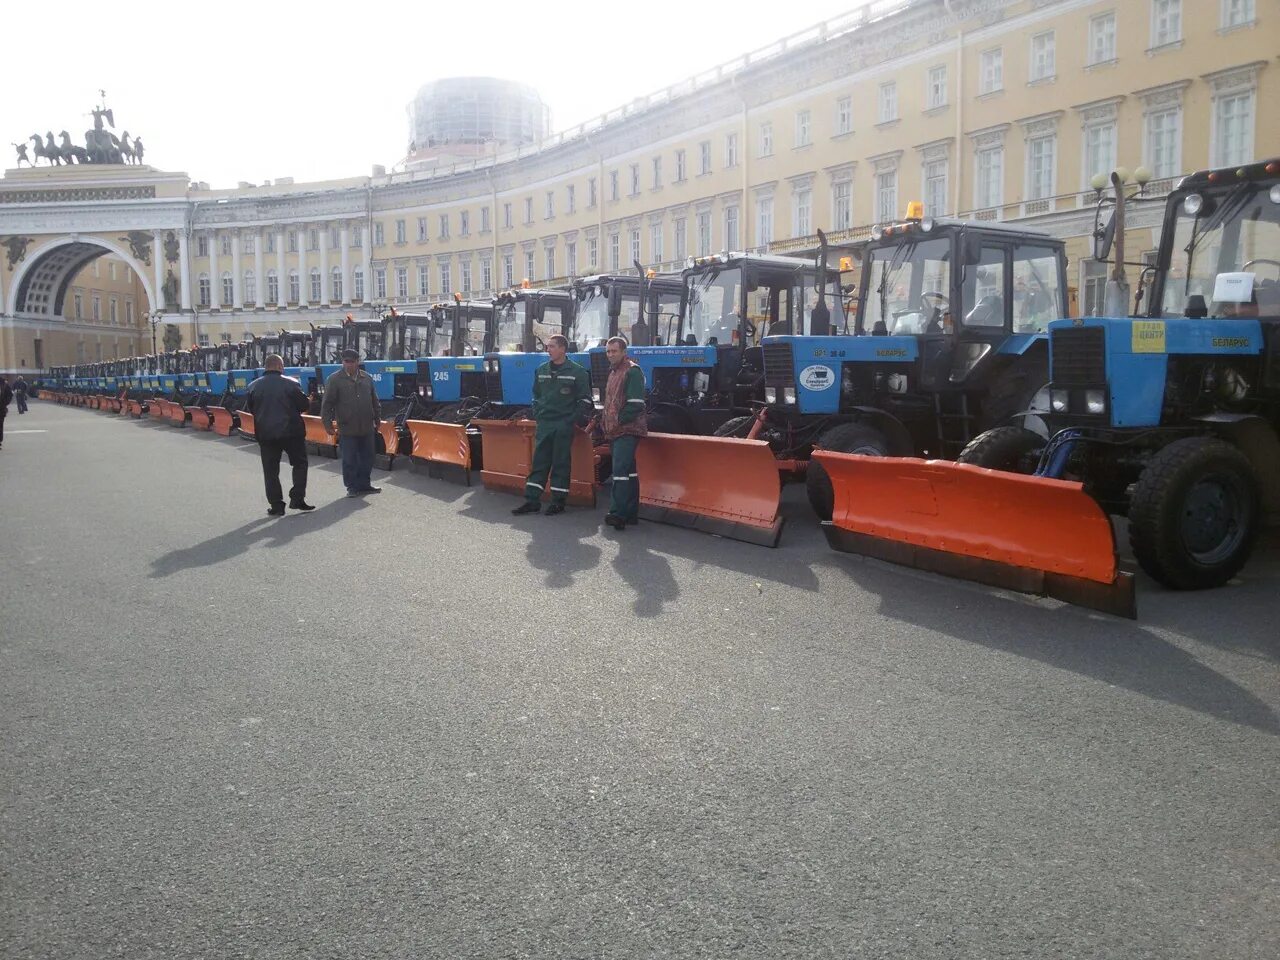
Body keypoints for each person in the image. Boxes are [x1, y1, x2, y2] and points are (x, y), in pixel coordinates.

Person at [511, 334, 592, 517]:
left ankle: (558, 502)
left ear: (563, 349)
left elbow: (585, 400)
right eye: (548, 347)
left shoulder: (577, 372)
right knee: (539, 461)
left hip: (563, 424)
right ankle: (532, 500)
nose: (549, 350)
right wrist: (538, 414)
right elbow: (536, 396)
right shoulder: (541, 370)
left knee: (561, 463)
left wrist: (570, 420)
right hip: (545, 423)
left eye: (552, 346)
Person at [245, 354, 314, 516]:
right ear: (279, 366)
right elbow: (303, 405)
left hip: (266, 434)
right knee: (299, 464)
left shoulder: (253, 386)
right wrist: (309, 401)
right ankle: (297, 498)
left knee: (270, 470)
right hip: (292, 432)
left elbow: (251, 409)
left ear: (266, 366)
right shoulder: (292, 384)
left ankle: (276, 505)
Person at [600, 337, 648, 531]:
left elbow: (636, 403)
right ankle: (630, 513)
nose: (610, 354)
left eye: (614, 351)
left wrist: (617, 421)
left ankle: (617, 513)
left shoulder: (632, 371)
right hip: (615, 429)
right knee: (629, 471)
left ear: (623, 351)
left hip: (627, 429)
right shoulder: (613, 372)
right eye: (608, 351)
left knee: (619, 470)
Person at [322, 348, 382, 498]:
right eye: (346, 362)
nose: (348, 365)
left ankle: (364, 484)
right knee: (349, 459)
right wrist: (328, 425)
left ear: (357, 362)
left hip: (367, 426)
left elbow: (375, 400)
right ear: (342, 362)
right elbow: (327, 404)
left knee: (368, 457)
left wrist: (377, 418)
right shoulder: (334, 380)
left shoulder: (366, 378)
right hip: (347, 427)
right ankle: (352, 487)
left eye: (351, 362)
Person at [0, 377, 11, 450]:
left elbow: (9, 395)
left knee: (0, 425)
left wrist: (5, 403)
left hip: (1, 409)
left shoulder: (4, 384)